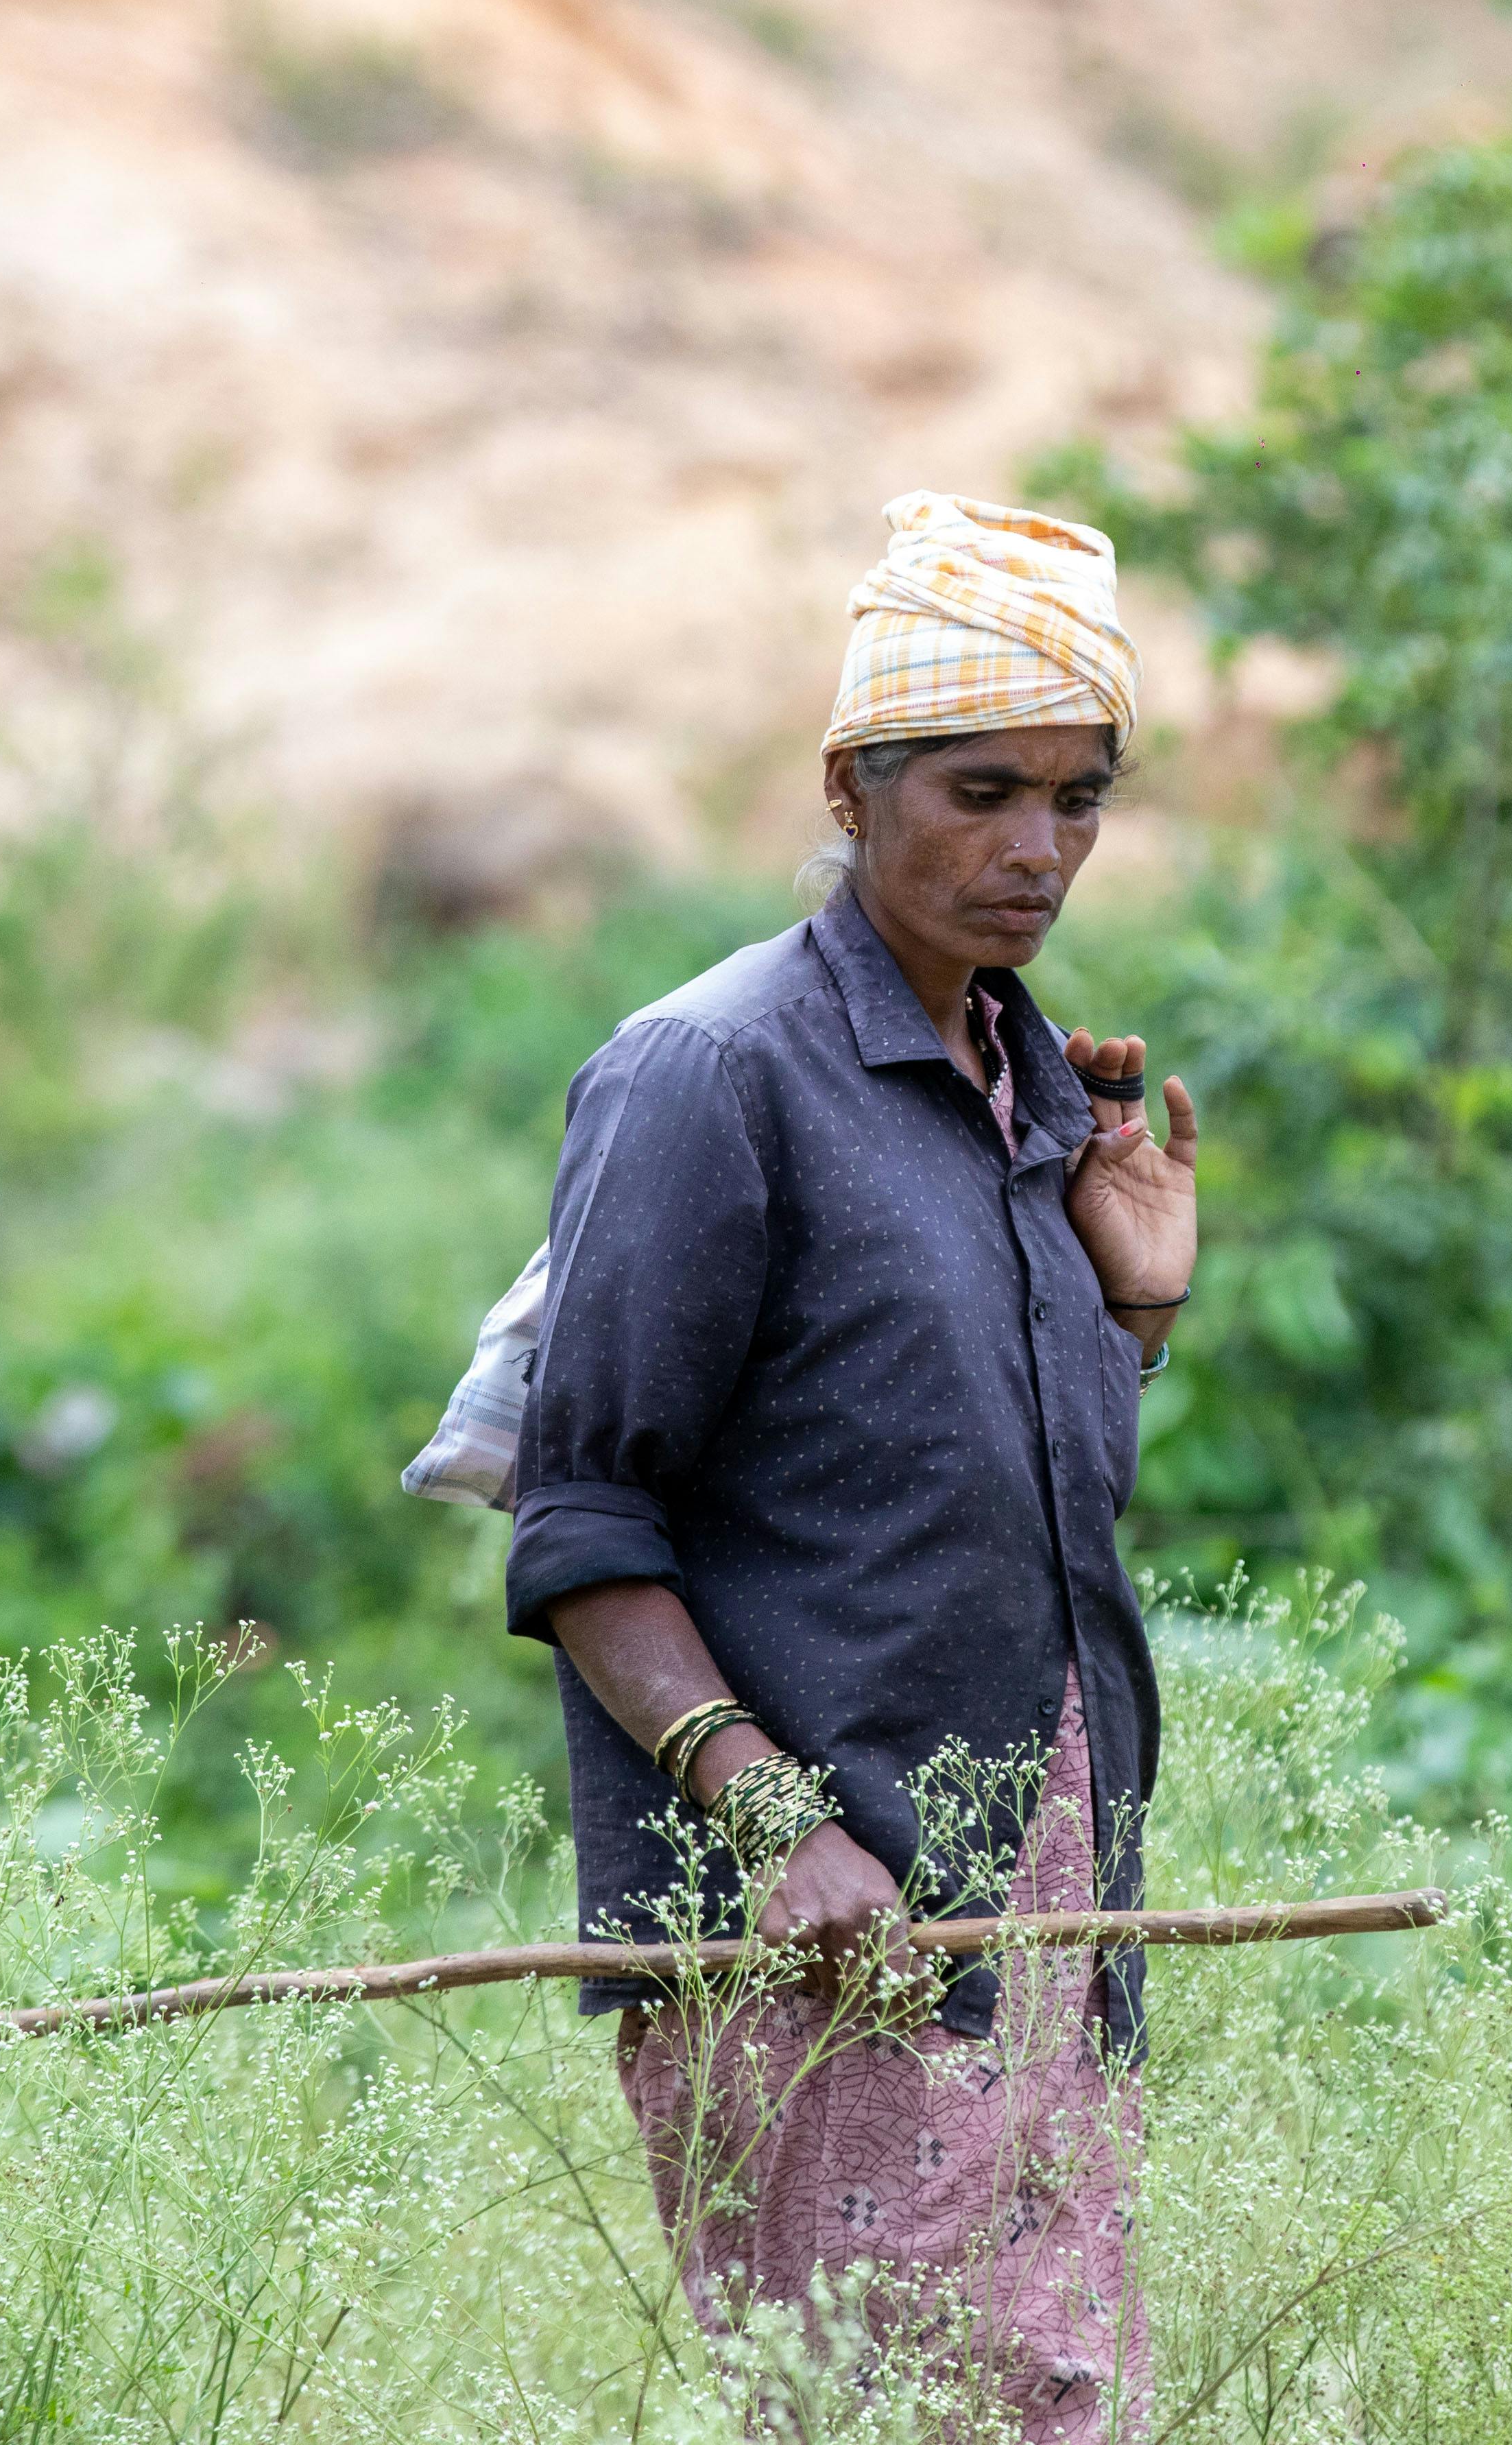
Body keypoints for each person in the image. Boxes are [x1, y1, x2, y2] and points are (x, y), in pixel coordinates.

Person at [503, 490, 1197, 2440]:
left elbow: (992, 1509)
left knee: (1062, 2403)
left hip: (1038, 1922)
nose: (1038, 850)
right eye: (984, 793)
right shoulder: (713, 1074)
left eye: (1078, 799)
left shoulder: (1036, 1091)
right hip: (822, 1944)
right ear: (850, 787)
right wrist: (776, 1821)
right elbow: (583, 1524)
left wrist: (1135, 1309)